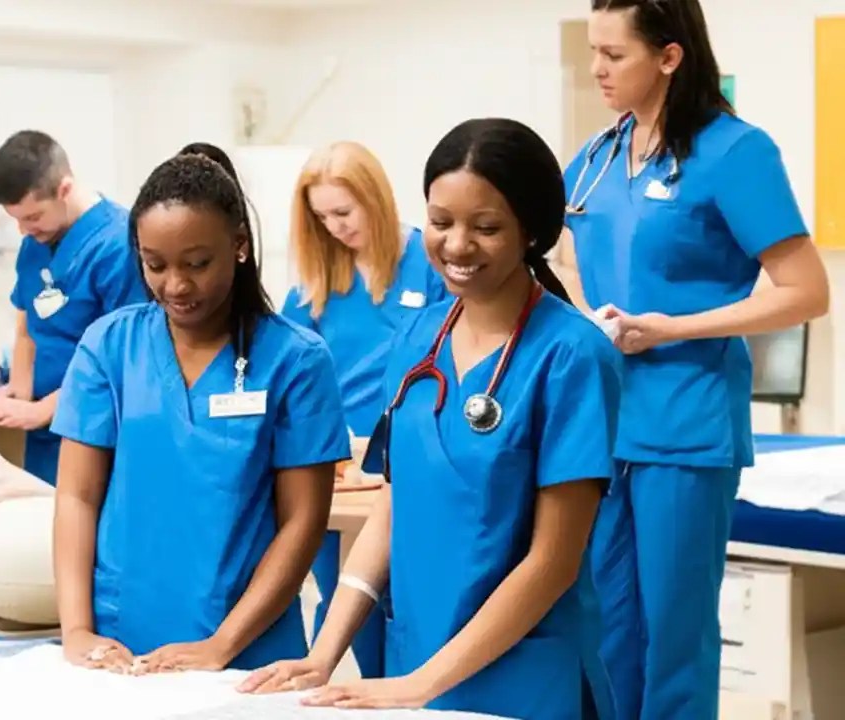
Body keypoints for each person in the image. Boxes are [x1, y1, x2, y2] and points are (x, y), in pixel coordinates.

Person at [239, 118, 620, 720]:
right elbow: (393, 506)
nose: (457, 245)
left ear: (531, 231)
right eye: (441, 223)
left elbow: (553, 561)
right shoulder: (418, 340)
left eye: (486, 227)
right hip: (415, 662)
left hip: (523, 678)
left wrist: (420, 684)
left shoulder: (572, 355)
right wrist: (324, 654)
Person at [558, 3, 830, 718]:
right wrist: (591, 317)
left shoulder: (734, 153)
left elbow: (806, 291)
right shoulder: (595, 159)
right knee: (606, 628)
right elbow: (563, 253)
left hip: (684, 423)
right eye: (594, 51)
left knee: (672, 638)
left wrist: (673, 328)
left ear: (670, 57)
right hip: (599, 424)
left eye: (615, 55)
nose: (597, 70)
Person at [51, 153, 349, 673]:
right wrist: (76, 630)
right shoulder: (110, 347)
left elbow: (303, 522)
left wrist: (223, 644)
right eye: (155, 264)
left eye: (196, 263)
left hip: (245, 649)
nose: (175, 286)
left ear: (238, 246)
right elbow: (77, 496)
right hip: (120, 649)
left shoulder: (295, 361)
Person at [281, 140, 449, 680]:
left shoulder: (429, 264)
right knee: (348, 606)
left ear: (375, 200)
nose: (334, 227)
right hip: (338, 474)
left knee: (413, 607)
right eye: (321, 216)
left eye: (343, 212)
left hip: (410, 467)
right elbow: (292, 384)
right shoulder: (311, 289)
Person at [0, 130, 146, 485]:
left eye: (33, 216)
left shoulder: (117, 245)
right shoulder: (36, 243)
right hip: (45, 434)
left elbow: (121, 360)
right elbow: (27, 327)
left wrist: (38, 411)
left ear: (64, 189)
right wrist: (19, 393)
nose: (24, 230)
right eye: (16, 219)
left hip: (97, 427)